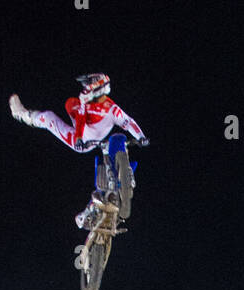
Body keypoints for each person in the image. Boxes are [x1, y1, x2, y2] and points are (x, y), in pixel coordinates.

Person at [9, 75, 149, 231]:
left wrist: (141, 137)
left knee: (118, 139)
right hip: (81, 139)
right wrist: (79, 138)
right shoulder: (83, 103)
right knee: (53, 114)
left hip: (93, 137)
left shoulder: (111, 108)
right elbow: (81, 121)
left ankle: (124, 179)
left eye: (88, 86)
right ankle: (23, 114)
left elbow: (128, 122)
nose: (85, 90)